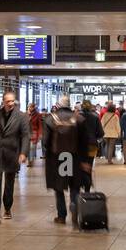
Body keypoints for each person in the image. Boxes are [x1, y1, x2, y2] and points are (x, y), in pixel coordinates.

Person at [43, 96, 90, 226]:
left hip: (57, 159)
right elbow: (84, 142)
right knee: (74, 186)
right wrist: (85, 161)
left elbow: (45, 141)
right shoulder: (79, 119)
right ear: (70, 105)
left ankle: (61, 216)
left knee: (59, 188)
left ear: (58, 105)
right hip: (74, 158)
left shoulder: (50, 119)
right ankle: (74, 206)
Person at [0, 90, 29, 222]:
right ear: (3, 102)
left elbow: (25, 135)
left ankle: (7, 208)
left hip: (12, 153)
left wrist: (23, 153)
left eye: (12, 101)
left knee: (9, 183)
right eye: (8, 101)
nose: (10, 103)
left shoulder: (21, 116)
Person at [80, 101, 103, 182]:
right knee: (89, 164)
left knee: (80, 165)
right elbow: (101, 133)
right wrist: (94, 136)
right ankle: (87, 187)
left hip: (79, 145)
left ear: (81, 106)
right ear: (90, 107)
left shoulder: (77, 116)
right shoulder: (95, 116)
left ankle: (78, 186)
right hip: (92, 144)